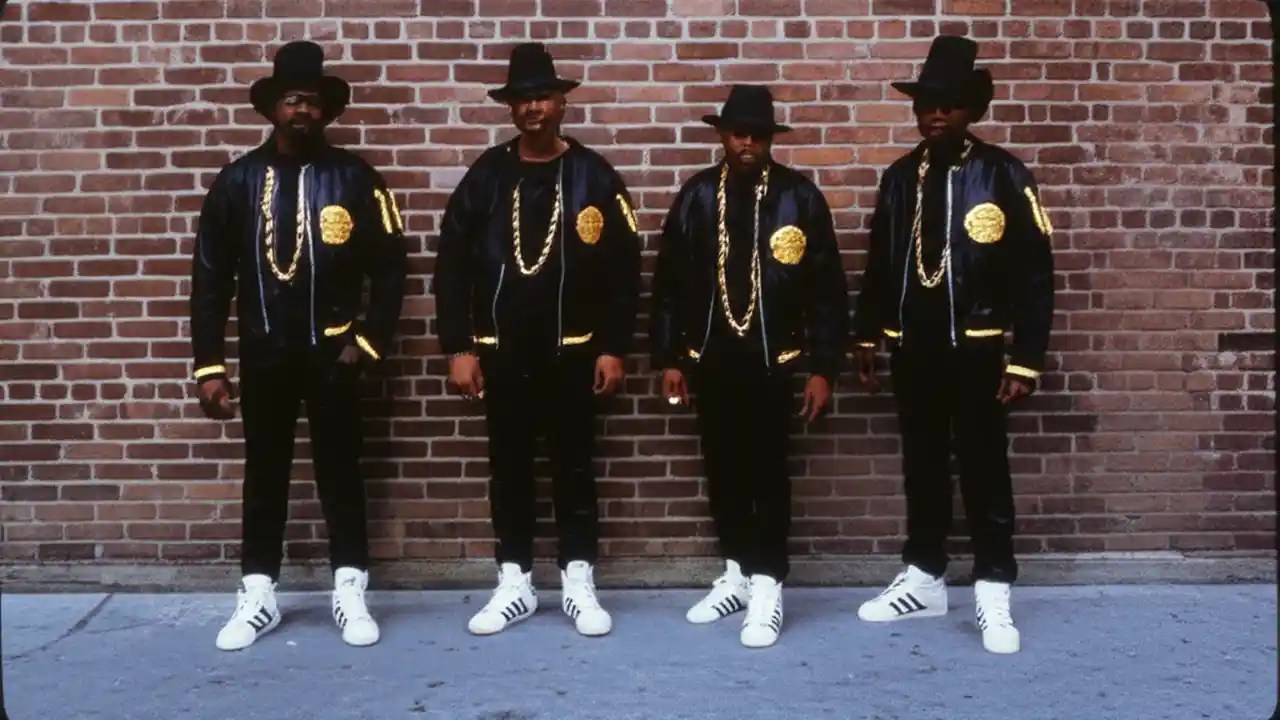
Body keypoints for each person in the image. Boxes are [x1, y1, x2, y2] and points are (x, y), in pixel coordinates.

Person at [189, 40, 407, 651]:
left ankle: (349, 588)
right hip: (264, 355)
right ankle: (258, 593)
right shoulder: (236, 181)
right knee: (265, 475)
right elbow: (208, 277)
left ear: (327, 111)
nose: (302, 112)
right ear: (272, 109)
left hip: (334, 354)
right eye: (292, 100)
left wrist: (366, 343)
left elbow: (392, 268)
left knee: (342, 472)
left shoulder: (356, 178)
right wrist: (210, 365)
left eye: (312, 101)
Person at [850, 35, 1055, 654]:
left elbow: (1035, 274)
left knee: (985, 467)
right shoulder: (897, 179)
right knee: (923, 465)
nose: (935, 115)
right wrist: (867, 332)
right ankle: (924, 577)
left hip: (979, 351)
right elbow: (882, 264)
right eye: (926, 105)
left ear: (971, 109)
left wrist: (1025, 358)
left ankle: (993, 590)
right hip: (914, 349)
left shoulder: (1002, 174)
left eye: (949, 104)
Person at [432, 42, 642, 638]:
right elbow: (451, 264)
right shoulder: (488, 175)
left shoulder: (594, 175)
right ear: (510, 108)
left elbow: (626, 269)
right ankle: (515, 580)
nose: (533, 109)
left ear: (562, 102)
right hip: (501, 355)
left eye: (543, 97)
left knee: (576, 468)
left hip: (575, 353)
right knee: (511, 469)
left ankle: (579, 580)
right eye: (522, 100)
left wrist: (613, 345)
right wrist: (460, 347)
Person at [650, 85, 849, 648]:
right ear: (722, 135)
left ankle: (767, 585)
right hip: (711, 362)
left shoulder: (798, 198)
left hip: (775, 363)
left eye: (758, 134)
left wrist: (822, 368)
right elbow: (668, 285)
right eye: (738, 132)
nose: (747, 142)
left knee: (768, 474)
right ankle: (737, 572)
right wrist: (669, 357)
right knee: (723, 472)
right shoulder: (694, 198)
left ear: (769, 140)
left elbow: (829, 293)